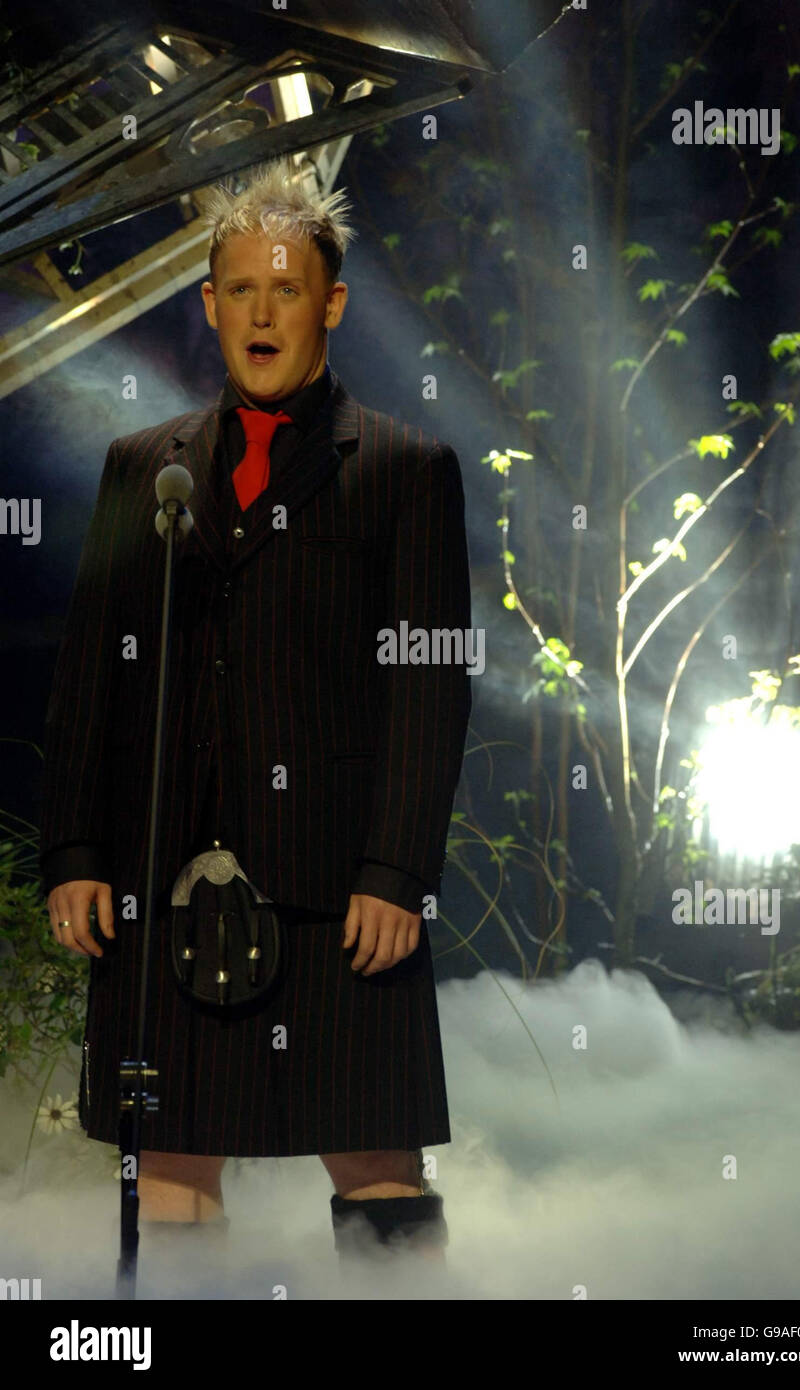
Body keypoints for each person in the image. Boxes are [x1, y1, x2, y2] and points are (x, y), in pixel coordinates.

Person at [39, 159, 473, 1264]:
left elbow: (428, 683)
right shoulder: (146, 469)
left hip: (337, 887)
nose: (261, 311)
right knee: (172, 1161)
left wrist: (395, 870)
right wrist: (78, 851)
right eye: (239, 290)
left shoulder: (403, 468)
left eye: (286, 290)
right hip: (166, 877)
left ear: (328, 303)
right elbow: (93, 672)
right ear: (210, 306)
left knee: (377, 1158)